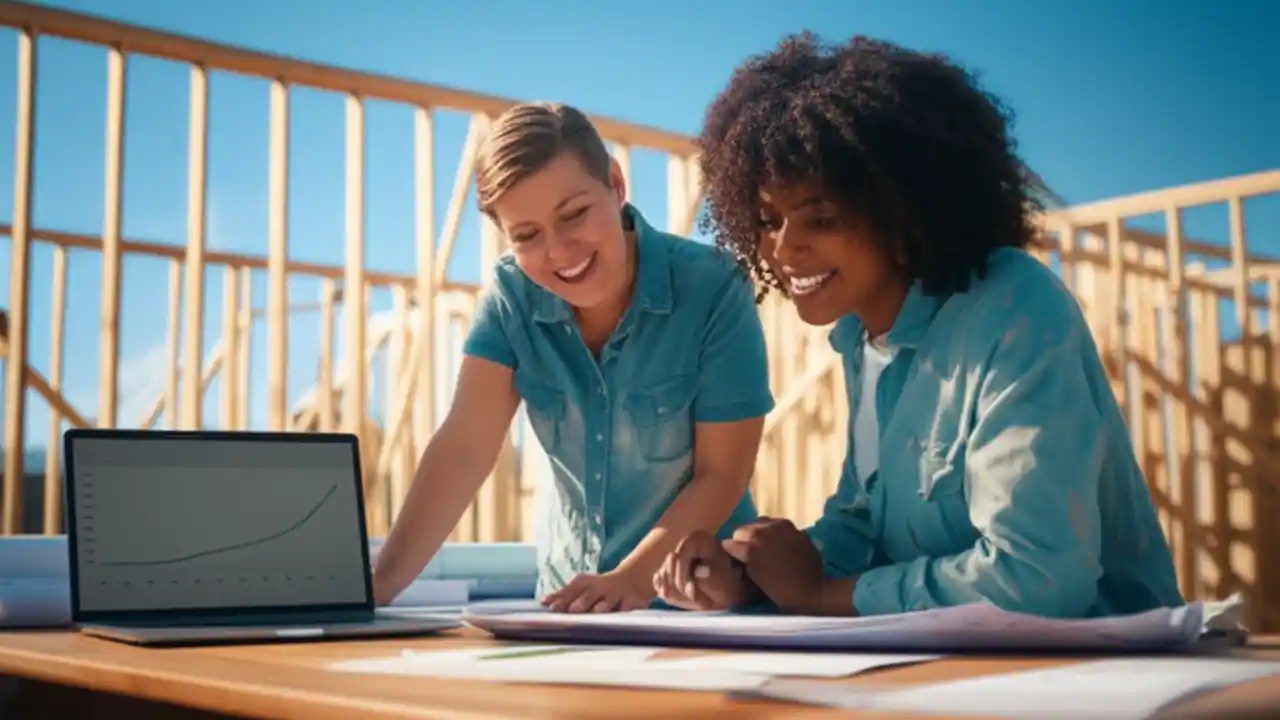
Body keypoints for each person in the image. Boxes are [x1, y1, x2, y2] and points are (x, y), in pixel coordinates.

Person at [652, 34, 1184, 619]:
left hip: (1102, 660)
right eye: (767, 220)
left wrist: (820, 595)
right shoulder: (861, 341)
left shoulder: (1015, 307)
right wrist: (751, 577)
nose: (784, 247)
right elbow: (864, 533)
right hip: (950, 663)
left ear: (904, 205)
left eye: (820, 218)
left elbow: (1037, 578)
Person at [373, 102, 774, 613]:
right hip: (567, 610)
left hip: (697, 611)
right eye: (527, 235)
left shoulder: (713, 287)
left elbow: (722, 473)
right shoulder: (511, 299)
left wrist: (631, 581)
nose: (560, 251)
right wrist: (378, 587)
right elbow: (464, 449)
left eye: (574, 214)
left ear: (616, 184)